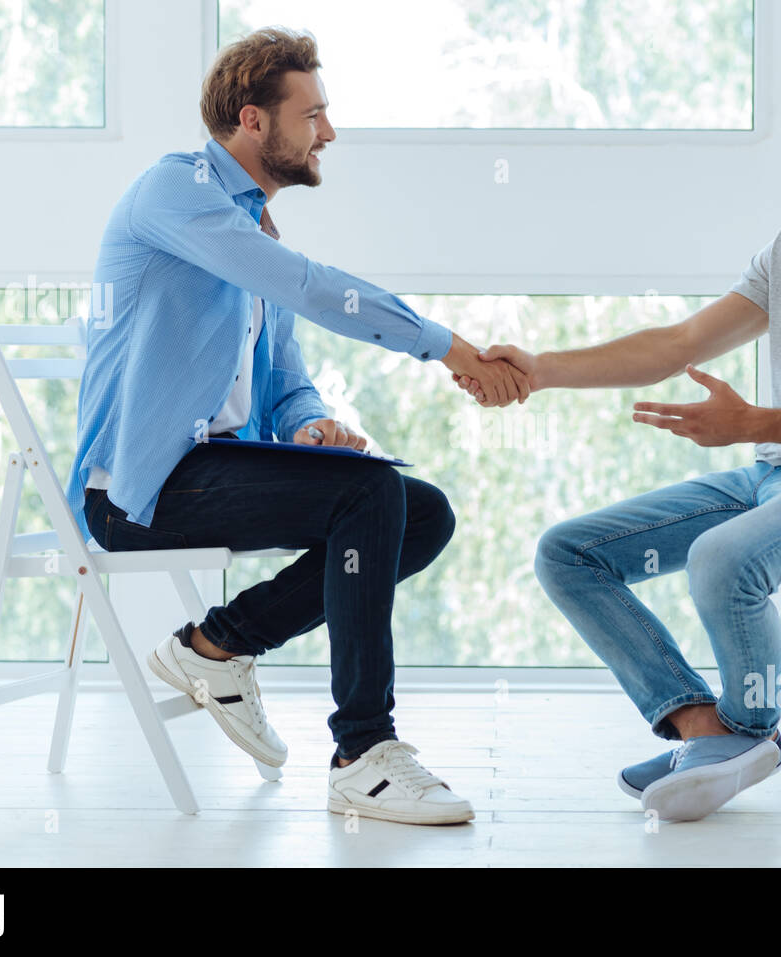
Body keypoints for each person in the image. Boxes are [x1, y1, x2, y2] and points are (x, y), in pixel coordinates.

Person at [457, 49, 781, 822]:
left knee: (721, 556)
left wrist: (753, 423)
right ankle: (705, 727)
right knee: (568, 553)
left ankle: (750, 732)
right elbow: (678, 342)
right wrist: (539, 368)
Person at [65, 27, 527, 826]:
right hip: (134, 497)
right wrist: (451, 347)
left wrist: (311, 424)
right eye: (313, 115)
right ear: (253, 120)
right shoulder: (172, 193)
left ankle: (218, 642)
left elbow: (284, 379)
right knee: (372, 495)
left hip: (209, 472)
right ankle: (362, 754)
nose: (330, 133)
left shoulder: (252, 232)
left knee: (422, 513)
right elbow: (311, 289)